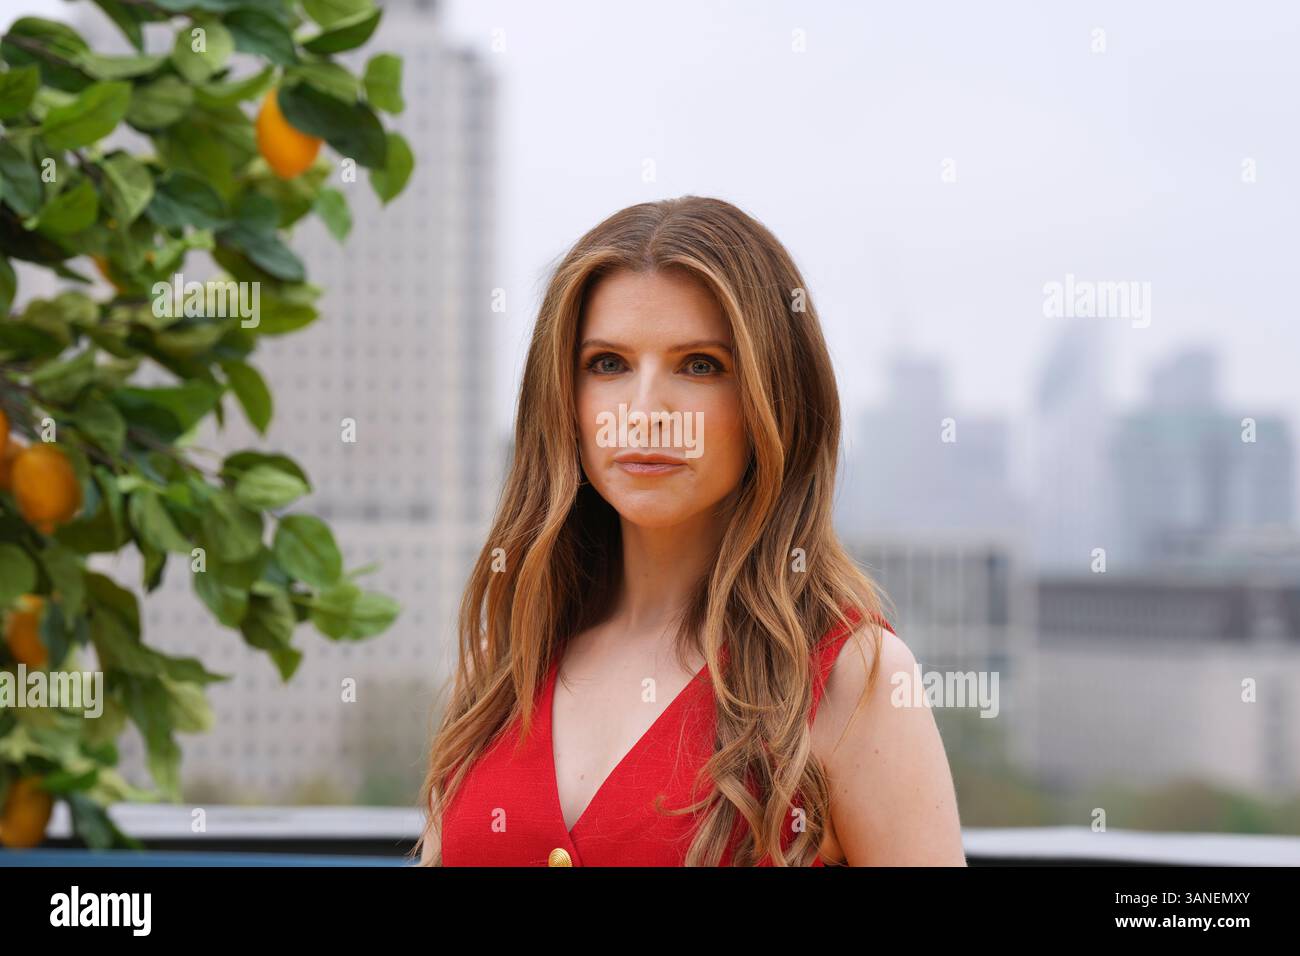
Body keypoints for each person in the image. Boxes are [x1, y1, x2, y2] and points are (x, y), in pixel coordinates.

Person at [414, 196, 966, 866]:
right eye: (608, 364)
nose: (644, 412)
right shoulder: (507, 658)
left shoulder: (853, 680)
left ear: (775, 398)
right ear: (565, 400)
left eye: (700, 364)